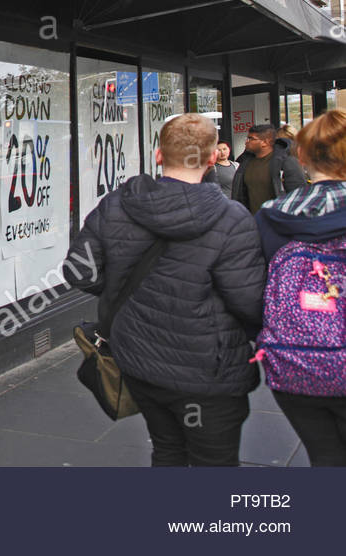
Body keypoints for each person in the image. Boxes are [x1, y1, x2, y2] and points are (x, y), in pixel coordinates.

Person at [63, 113, 265, 466]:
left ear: (159, 155)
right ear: (213, 157)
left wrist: (126, 294)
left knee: (167, 450)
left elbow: (80, 271)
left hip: (140, 361)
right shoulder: (233, 219)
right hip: (208, 372)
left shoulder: (116, 204)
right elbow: (250, 302)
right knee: (214, 461)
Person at [253, 110, 346, 466]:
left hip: (296, 365)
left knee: (324, 456)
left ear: (302, 157)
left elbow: (252, 288)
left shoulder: (270, 214)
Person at [231, 124, 307, 214]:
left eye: (251, 139)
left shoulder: (286, 162)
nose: (246, 142)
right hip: (253, 221)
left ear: (265, 142)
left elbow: (298, 194)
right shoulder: (245, 162)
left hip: (279, 221)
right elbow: (240, 194)